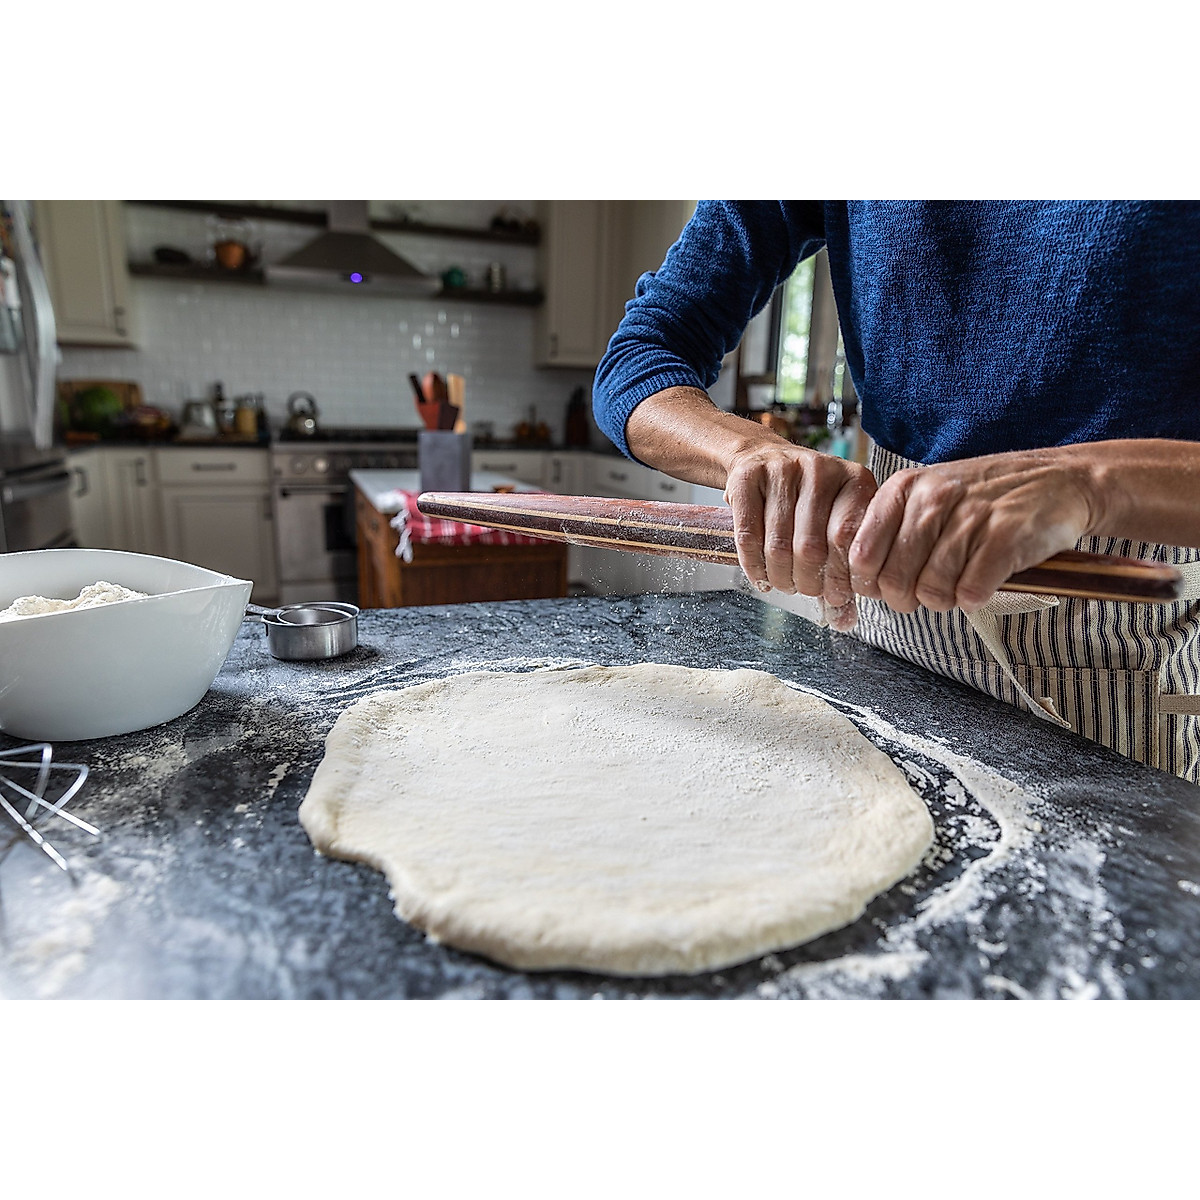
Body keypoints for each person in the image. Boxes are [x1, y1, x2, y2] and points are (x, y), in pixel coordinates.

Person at [592, 201, 1200, 781]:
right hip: (883, 648)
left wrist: (1092, 481)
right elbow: (641, 356)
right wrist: (747, 450)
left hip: (1127, 665)